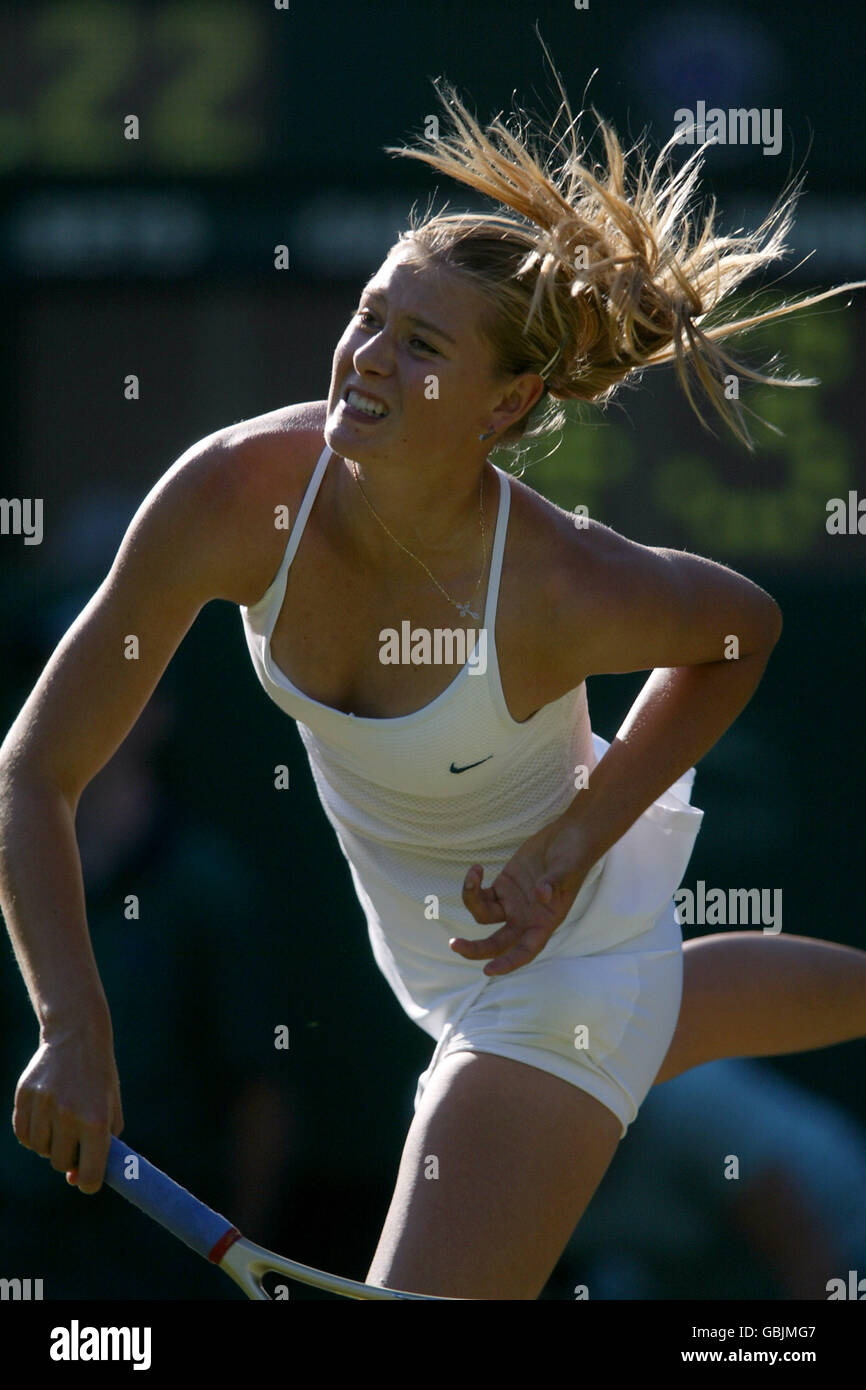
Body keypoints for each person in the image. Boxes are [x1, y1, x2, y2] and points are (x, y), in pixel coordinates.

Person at [2, 71, 864, 1301]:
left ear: (507, 402)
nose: (366, 358)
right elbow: (36, 768)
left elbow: (742, 631)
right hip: (443, 960)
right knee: (673, 992)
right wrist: (73, 1029)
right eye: (368, 316)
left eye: (420, 345)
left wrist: (570, 846)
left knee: (617, 1001)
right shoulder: (234, 497)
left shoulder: (558, 583)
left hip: (549, 978)